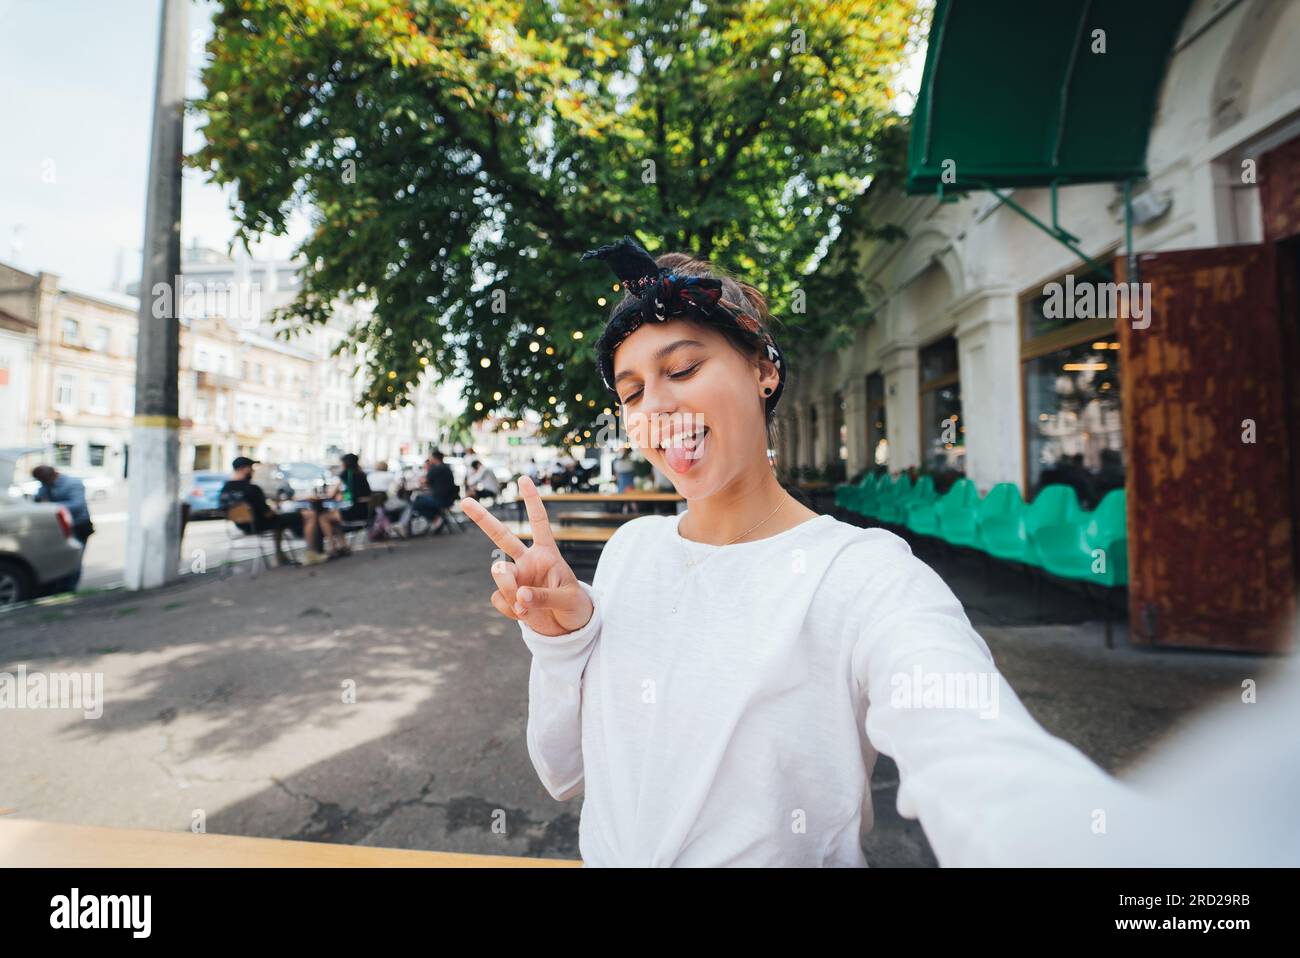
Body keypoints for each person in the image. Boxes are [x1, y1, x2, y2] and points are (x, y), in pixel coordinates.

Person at [459, 235, 1151, 868]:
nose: (657, 406)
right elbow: (563, 774)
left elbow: (977, 751)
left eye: (684, 367)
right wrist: (563, 643)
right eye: (633, 391)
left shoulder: (864, 576)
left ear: (763, 370)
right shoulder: (631, 551)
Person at [219, 456, 337, 565]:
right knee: (309, 514)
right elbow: (268, 514)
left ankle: (279, 556)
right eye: (251, 468)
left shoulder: (225, 488)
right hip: (260, 524)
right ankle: (311, 554)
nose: (253, 471)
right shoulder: (252, 488)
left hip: (241, 525)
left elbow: (223, 509)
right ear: (244, 469)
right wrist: (275, 508)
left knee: (278, 521)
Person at [31, 465, 93, 591]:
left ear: (52, 475)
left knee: (75, 558)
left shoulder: (73, 483)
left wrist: (50, 506)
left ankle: (70, 588)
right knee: (59, 557)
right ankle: (58, 586)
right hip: (57, 528)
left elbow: (77, 505)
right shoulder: (45, 486)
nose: (42, 483)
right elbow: (39, 500)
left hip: (77, 526)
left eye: (43, 480)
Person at [412, 448, 459, 534]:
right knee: (423, 499)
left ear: (434, 458)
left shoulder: (435, 469)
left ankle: (435, 518)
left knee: (415, 502)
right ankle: (438, 517)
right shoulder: (447, 468)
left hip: (440, 500)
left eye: (430, 458)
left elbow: (424, 481)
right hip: (449, 499)